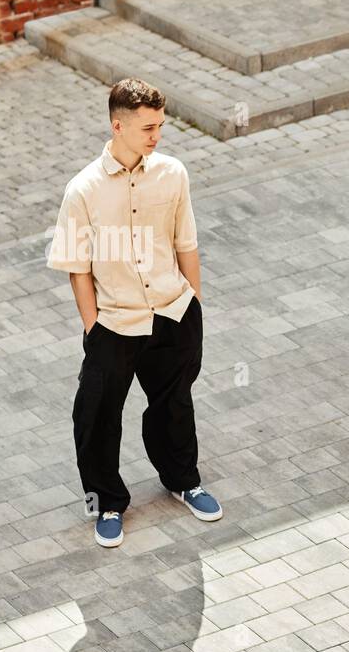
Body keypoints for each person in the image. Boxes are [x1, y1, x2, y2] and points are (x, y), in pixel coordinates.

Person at [48, 77, 222, 548]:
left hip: (173, 311)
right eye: (148, 127)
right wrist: (92, 326)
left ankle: (183, 480)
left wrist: (195, 305)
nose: (156, 136)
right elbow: (75, 266)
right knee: (97, 414)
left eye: (160, 126)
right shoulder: (82, 190)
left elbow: (186, 242)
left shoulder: (173, 174)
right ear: (117, 125)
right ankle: (106, 501)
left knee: (173, 402)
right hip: (115, 321)